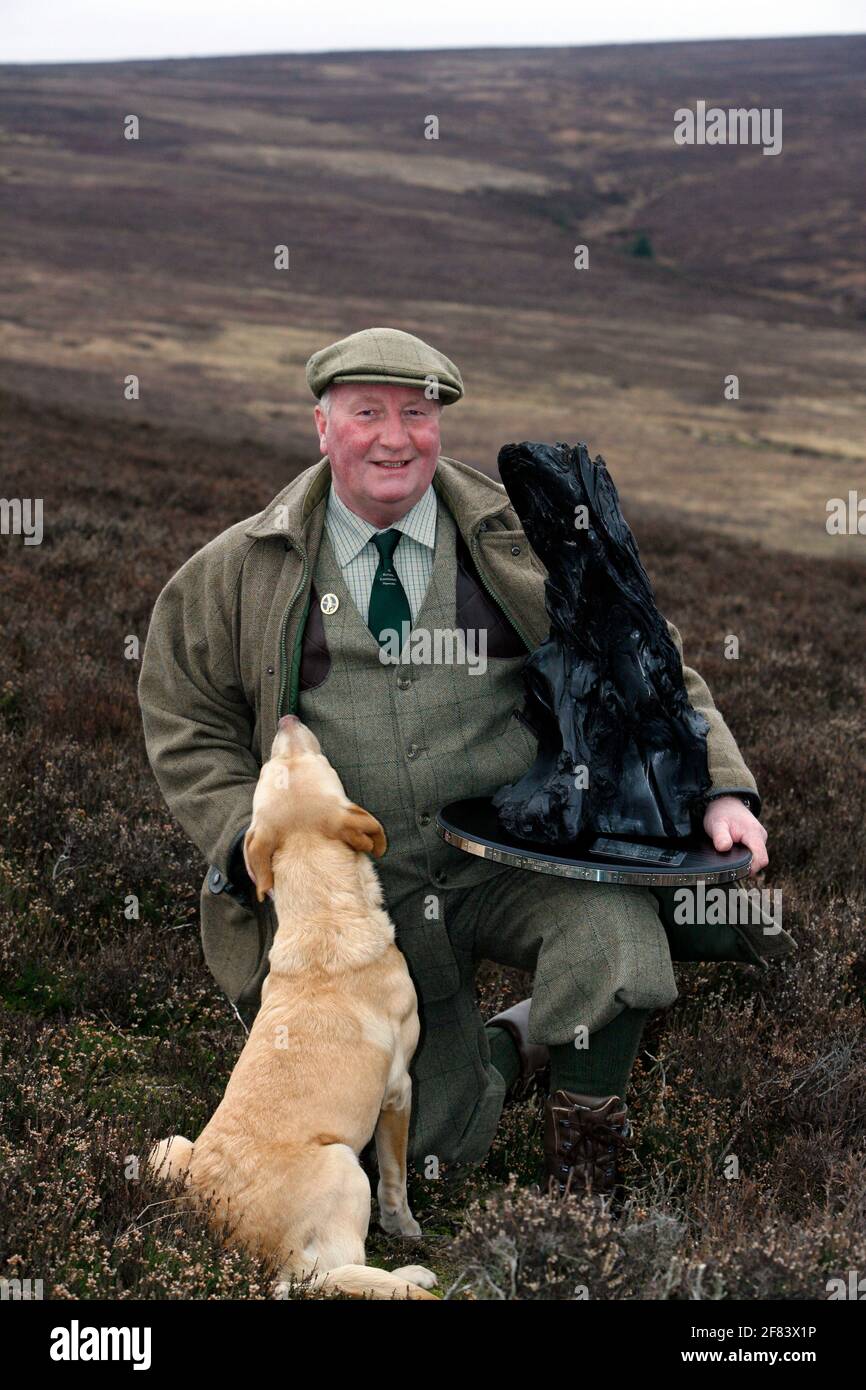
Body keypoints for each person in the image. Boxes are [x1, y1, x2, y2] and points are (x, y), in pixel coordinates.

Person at [138, 326, 795, 1199]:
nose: (394, 437)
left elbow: (646, 657)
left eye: (417, 413)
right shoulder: (240, 572)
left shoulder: (518, 537)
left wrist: (718, 787)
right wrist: (254, 838)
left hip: (509, 856)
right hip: (359, 898)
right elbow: (186, 722)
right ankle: (514, 1041)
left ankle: (586, 1201)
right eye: (366, 413)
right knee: (425, 1156)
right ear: (322, 429)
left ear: (439, 424)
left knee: (615, 942)